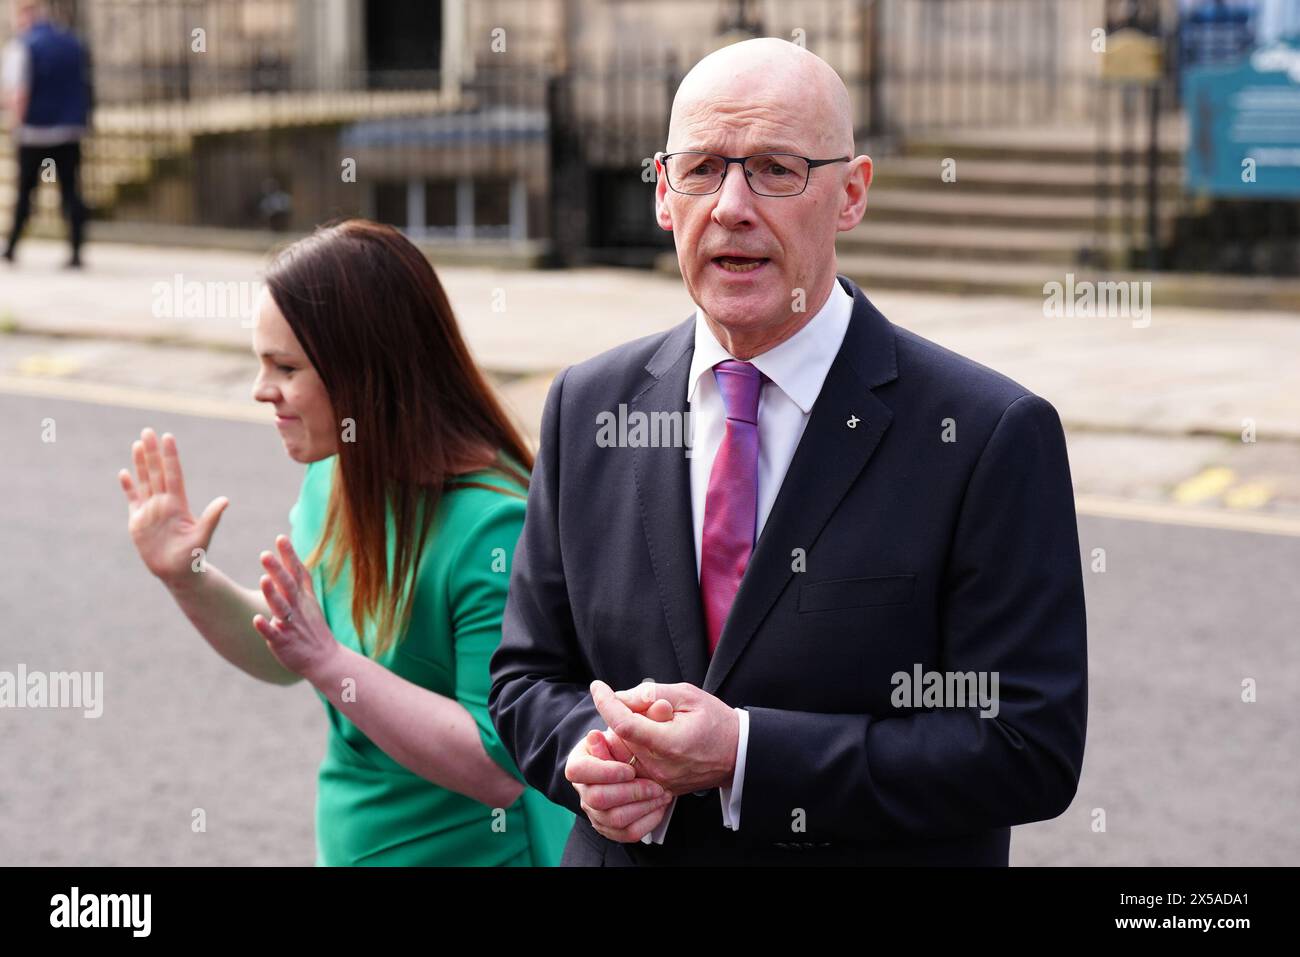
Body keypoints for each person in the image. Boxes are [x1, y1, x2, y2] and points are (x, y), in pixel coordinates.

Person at [488, 38, 1088, 866]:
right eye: (701, 169)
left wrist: (743, 754)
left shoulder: (988, 433)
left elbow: (1027, 744)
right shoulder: (588, 404)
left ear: (851, 194)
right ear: (663, 194)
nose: (731, 205)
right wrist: (591, 756)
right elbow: (526, 677)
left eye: (776, 168)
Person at [118, 219, 574, 865]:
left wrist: (331, 662)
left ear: (365, 372)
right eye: (260, 362)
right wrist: (187, 577)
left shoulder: (490, 528)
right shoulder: (335, 474)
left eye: (285, 367)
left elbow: (498, 766)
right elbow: (289, 651)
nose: (259, 388)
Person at [2, 0, 90, 267]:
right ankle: (76, 251)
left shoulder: (22, 46)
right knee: (71, 191)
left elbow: (19, 92)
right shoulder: (73, 43)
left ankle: (12, 246)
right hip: (69, 130)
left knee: (26, 192)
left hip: (34, 132)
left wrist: (14, 124)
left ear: (24, 16)